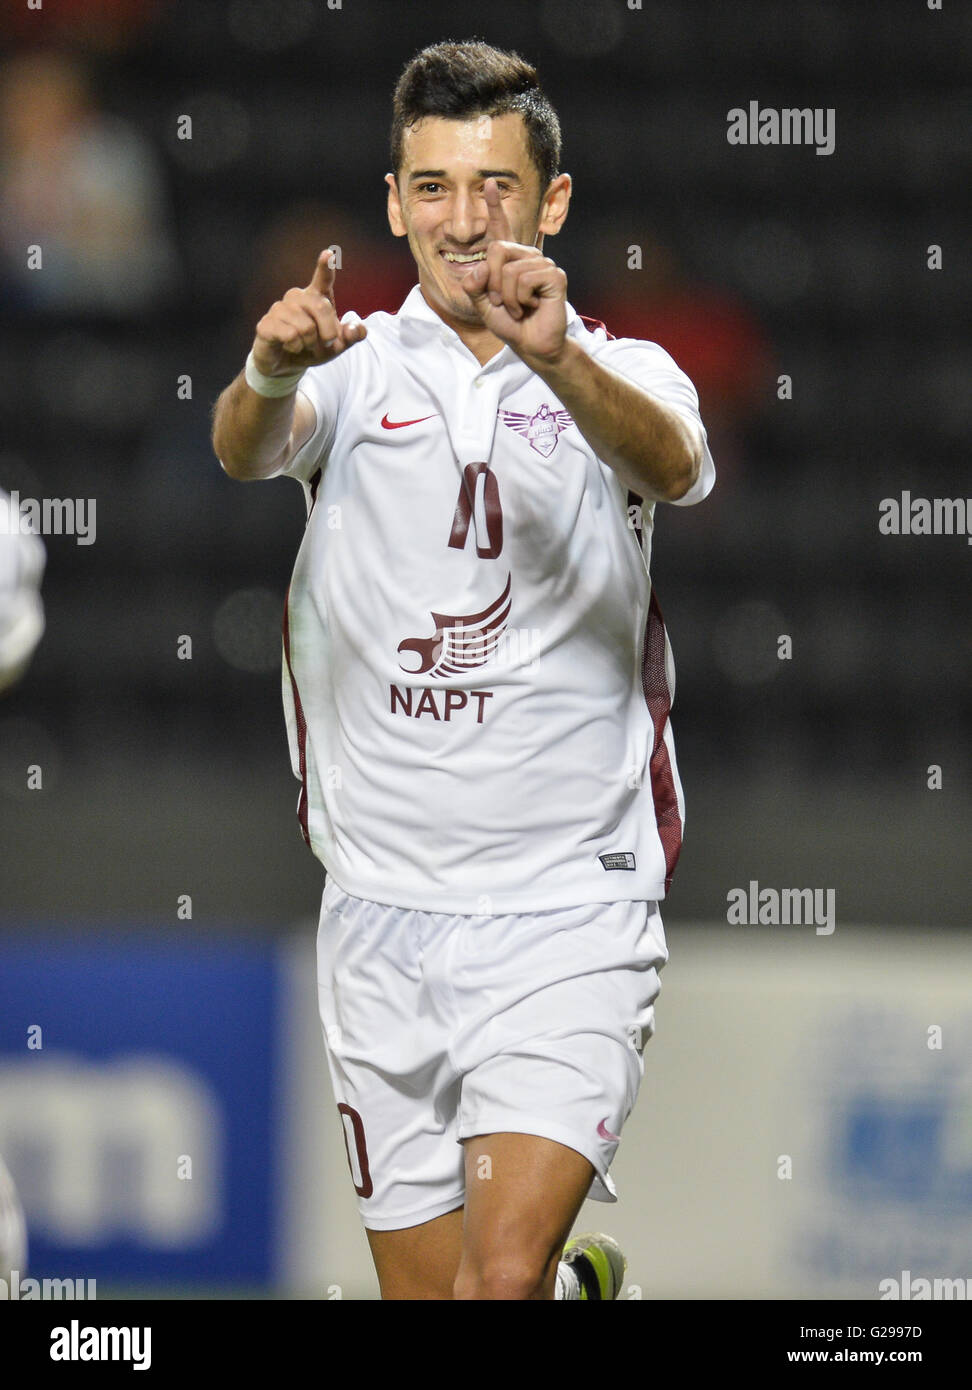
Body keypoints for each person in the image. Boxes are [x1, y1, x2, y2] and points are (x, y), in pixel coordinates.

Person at [211, 40, 715, 1301]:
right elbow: (246, 448)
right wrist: (269, 367)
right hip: (379, 914)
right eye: (433, 186)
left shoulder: (622, 369)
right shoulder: (354, 365)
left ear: (554, 203)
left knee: (495, 1279)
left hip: (570, 908)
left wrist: (558, 358)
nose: (465, 218)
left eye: (497, 185)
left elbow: (673, 465)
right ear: (395, 205)